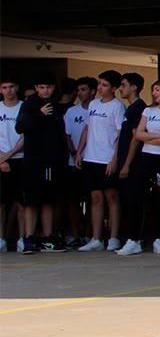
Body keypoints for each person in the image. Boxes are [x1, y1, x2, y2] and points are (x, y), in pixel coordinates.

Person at [117, 80, 160, 256]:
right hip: (146, 157)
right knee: (137, 197)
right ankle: (134, 239)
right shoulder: (148, 111)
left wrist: (152, 137)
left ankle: (158, 238)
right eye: (153, 90)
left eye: (157, 90)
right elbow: (138, 134)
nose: (154, 93)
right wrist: (158, 136)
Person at [15, 73, 70, 253]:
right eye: (42, 87)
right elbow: (20, 127)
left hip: (53, 161)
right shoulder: (29, 104)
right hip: (33, 160)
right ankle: (29, 237)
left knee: (49, 199)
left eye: (48, 87)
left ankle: (48, 237)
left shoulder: (57, 106)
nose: (45, 90)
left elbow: (61, 134)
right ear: (36, 88)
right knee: (31, 200)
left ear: (53, 88)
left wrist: (62, 157)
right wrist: (39, 114)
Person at [75, 71, 126, 252]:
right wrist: (79, 151)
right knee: (95, 198)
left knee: (111, 197)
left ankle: (113, 237)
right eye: (99, 84)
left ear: (113, 88)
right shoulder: (94, 104)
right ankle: (96, 238)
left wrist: (114, 159)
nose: (100, 88)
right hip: (91, 157)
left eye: (104, 85)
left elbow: (120, 135)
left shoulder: (117, 107)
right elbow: (87, 128)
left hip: (107, 158)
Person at [115, 72, 147, 251]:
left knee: (133, 201)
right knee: (126, 201)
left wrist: (127, 164)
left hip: (134, 164)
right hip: (124, 161)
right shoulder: (130, 108)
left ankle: (135, 239)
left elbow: (136, 138)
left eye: (123, 85)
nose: (120, 89)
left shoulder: (138, 108)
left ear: (134, 87)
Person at [62, 77, 95, 247]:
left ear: (92, 91)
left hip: (93, 161)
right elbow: (67, 136)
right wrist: (75, 154)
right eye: (78, 90)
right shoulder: (71, 111)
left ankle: (89, 234)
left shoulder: (97, 109)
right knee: (73, 201)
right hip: (72, 162)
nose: (80, 93)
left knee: (91, 200)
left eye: (83, 89)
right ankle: (75, 234)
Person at [0, 77, 26, 252]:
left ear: (17, 87)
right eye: (4, 87)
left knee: (22, 202)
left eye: (11, 87)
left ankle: (22, 239)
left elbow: (26, 137)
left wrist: (7, 156)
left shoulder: (24, 107)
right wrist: (1, 160)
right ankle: (1, 238)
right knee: (1, 203)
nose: (8, 90)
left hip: (20, 158)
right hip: (1, 159)